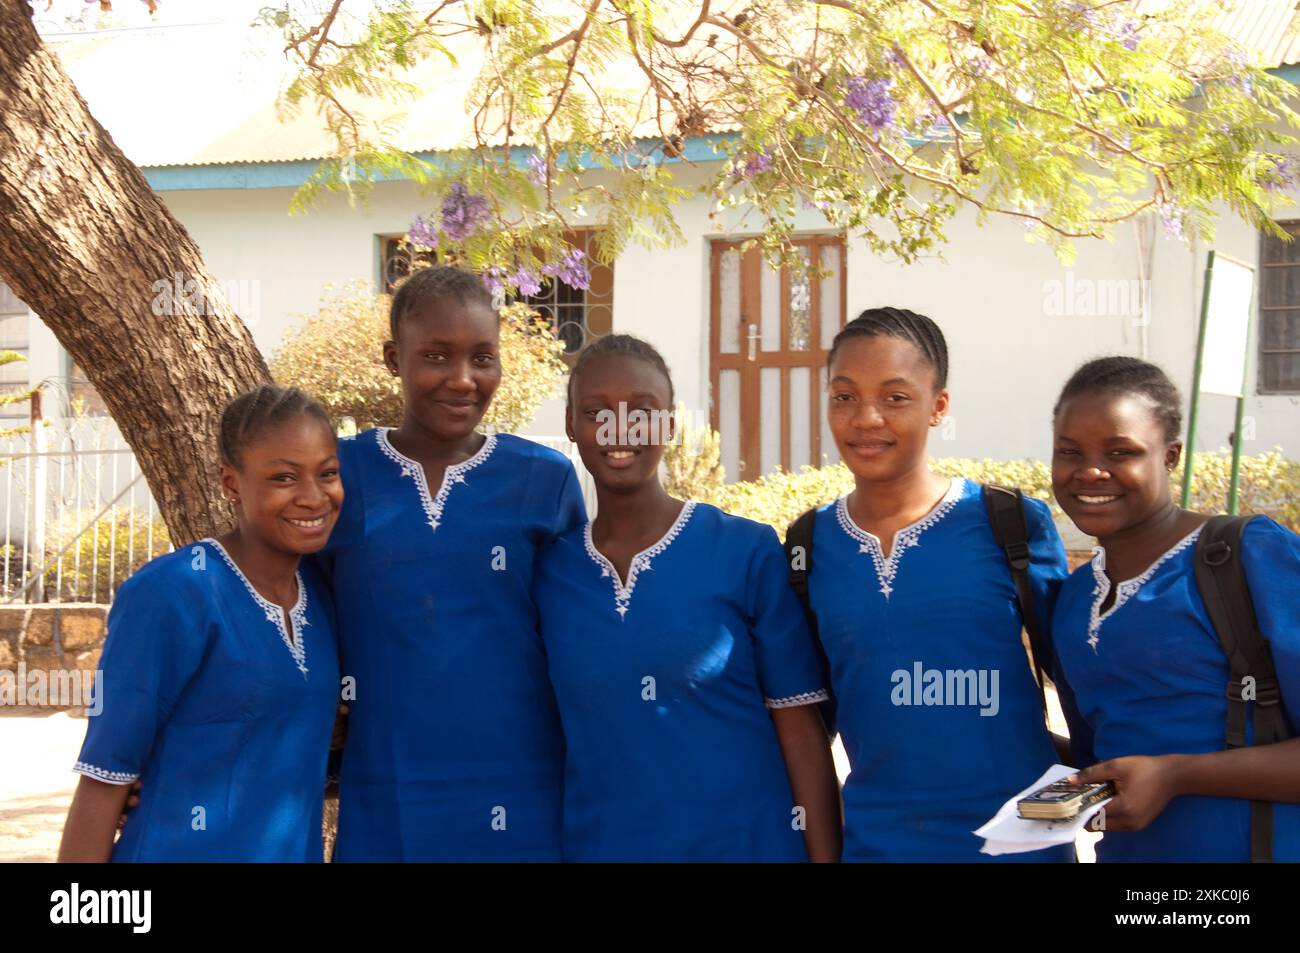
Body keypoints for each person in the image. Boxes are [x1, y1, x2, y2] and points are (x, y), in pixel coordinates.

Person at [533, 334, 841, 861]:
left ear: (670, 425)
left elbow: (800, 734)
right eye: (596, 411)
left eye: (643, 411)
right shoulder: (548, 573)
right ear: (570, 424)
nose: (619, 428)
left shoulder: (746, 551)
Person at [316, 265, 585, 861]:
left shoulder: (543, 478)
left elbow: (577, 631)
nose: (462, 380)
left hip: (522, 776)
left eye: (482, 358)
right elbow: (299, 614)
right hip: (387, 778)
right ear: (393, 358)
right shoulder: (341, 473)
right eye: (437, 356)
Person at [800, 307, 1072, 861]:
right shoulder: (809, 544)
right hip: (877, 843)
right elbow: (809, 712)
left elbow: (1077, 683)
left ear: (938, 407)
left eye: (895, 397)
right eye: (844, 395)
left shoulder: (1011, 525)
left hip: (1019, 841)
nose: (866, 418)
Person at [58, 385, 343, 862]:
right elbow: (105, 777)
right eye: (284, 477)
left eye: (327, 473)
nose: (313, 497)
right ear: (231, 484)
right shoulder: (172, 592)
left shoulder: (323, 598)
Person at [1049, 356, 1300, 862]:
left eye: (1121, 452)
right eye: (1069, 451)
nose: (1090, 471)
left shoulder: (1247, 557)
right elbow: (1102, 757)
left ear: (1170, 456)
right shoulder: (1074, 601)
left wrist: (1177, 776)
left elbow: (1160, 768)